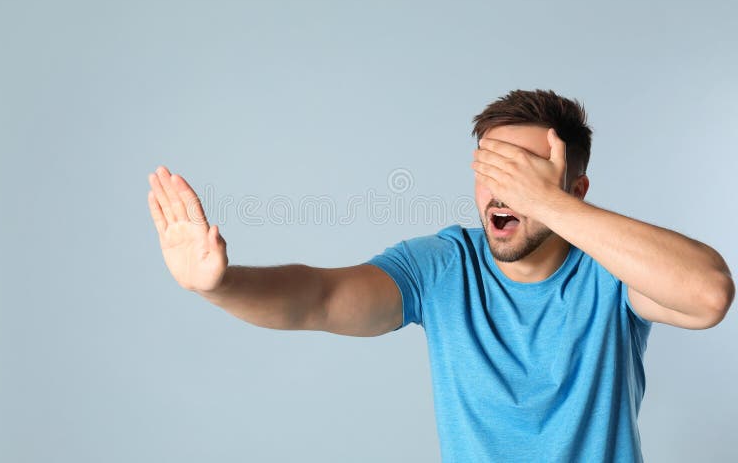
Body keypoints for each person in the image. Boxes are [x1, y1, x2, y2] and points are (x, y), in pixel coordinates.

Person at [146, 89, 734, 462]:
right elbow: (319, 299)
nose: (502, 190)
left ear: (575, 190)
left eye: (524, 172)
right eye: (490, 169)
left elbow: (709, 295)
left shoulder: (612, 269)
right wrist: (221, 285)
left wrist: (551, 205)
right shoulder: (444, 266)